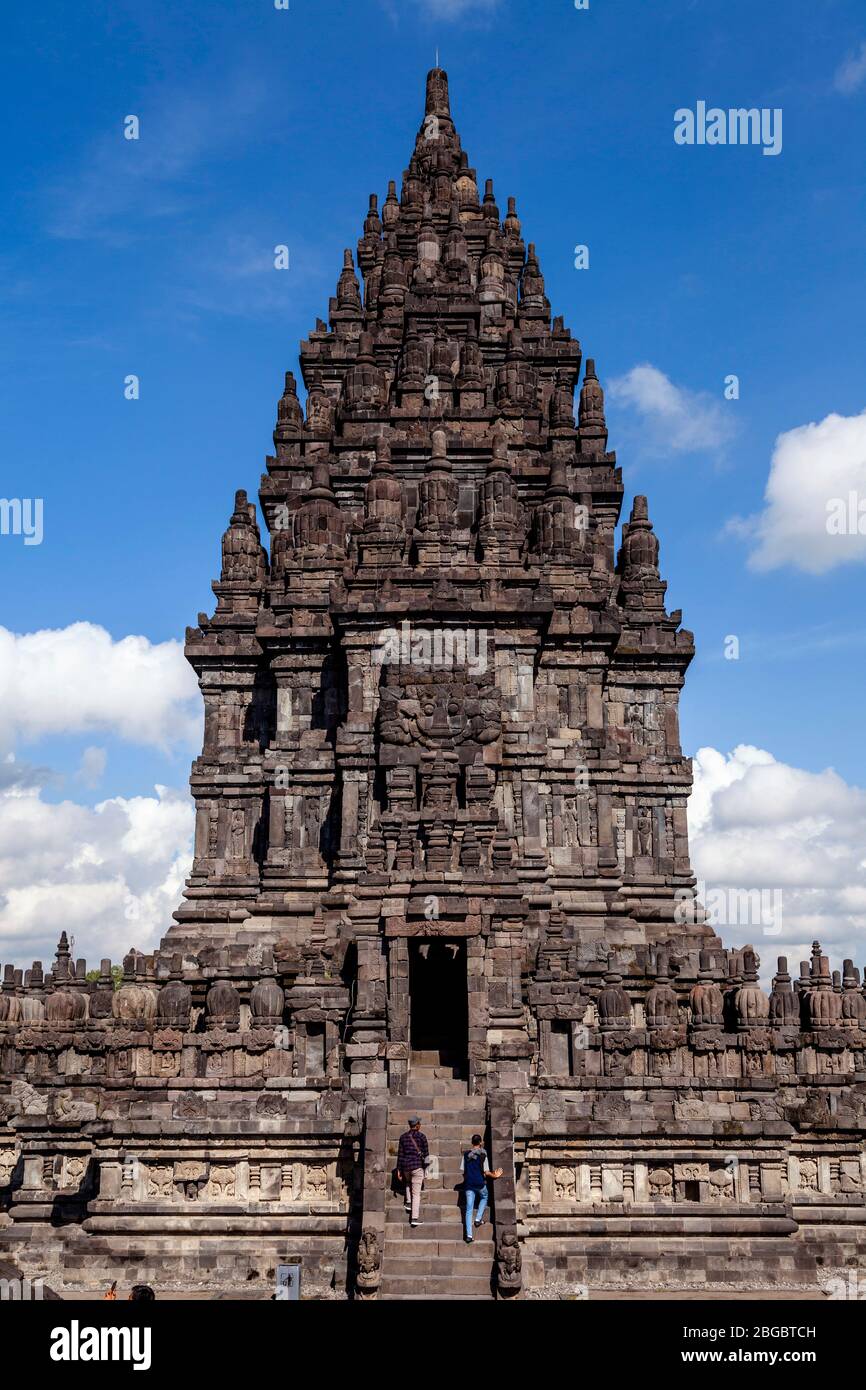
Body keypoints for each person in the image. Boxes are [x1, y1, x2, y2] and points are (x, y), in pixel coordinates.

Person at [460, 1134, 502, 1242]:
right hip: (479, 1183)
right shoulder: (483, 1155)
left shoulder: (466, 1155)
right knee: (484, 1196)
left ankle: (469, 1236)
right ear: (480, 1143)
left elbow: (463, 1172)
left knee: (469, 1209)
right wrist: (495, 1175)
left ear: (472, 1143)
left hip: (469, 1184)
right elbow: (486, 1172)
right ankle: (478, 1219)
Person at [396, 1115, 429, 1227]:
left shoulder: (403, 1137)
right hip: (417, 1166)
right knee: (416, 1194)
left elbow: (400, 1154)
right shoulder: (422, 1137)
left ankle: (408, 1202)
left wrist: (399, 1170)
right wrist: (426, 1168)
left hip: (406, 1166)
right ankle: (414, 1218)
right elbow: (426, 1154)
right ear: (418, 1125)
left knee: (408, 1182)